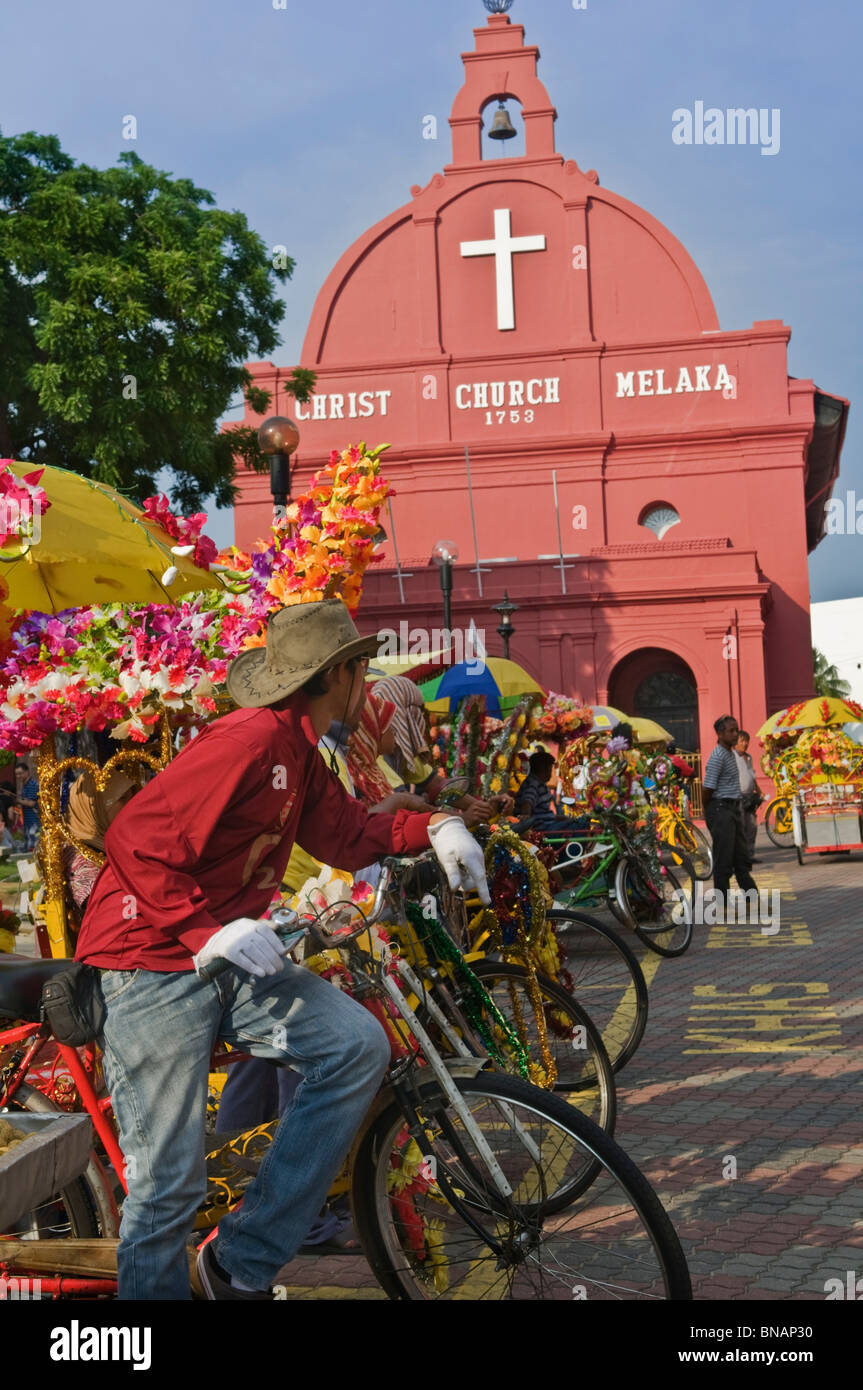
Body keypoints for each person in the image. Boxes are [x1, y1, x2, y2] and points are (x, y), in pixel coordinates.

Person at [74, 599, 490, 1301]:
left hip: (221, 957)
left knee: (356, 1043)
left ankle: (238, 1262)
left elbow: (345, 836)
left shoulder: (298, 748)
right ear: (342, 674)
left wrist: (437, 827)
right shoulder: (248, 740)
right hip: (149, 961)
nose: (372, 686)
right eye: (364, 669)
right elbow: (134, 839)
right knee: (166, 1188)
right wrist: (209, 931)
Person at [702, 715, 758, 908]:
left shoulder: (731, 754)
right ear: (719, 734)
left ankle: (752, 898)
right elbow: (707, 788)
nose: (735, 734)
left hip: (733, 809)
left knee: (741, 857)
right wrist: (709, 812)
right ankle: (722, 903)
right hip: (721, 809)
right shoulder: (718, 756)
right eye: (731, 731)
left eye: (736, 730)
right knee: (724, 859)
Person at [63, 769, 138, 910]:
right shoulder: (80, 862)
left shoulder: (109, 843)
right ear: (95, 807)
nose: (132, 804)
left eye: (132, 796)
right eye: (122, 798)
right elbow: (113, 913)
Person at [515, 749, 591, 836]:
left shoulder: (540, 784)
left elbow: (546, 815)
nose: (551, 774)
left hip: (549, 825)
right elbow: (527, 801)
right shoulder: (533, 784)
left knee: (580, 821)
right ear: (542, 769)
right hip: (544, 829)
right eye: (549, 769)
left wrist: (564, 818)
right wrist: (525, 816)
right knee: (582, 825)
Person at [734, 730, 762, 865]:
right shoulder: (731, 757)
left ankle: (750, 855)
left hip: (750, 797)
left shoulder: (749, 757)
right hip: (737, 797)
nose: (745, 744)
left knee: (752, 827)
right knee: (741, 827)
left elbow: (752, 775)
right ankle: (741, 856)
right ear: (735, 743)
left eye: (746, 741)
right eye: (742, 741)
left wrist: (759, 789)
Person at [15, 759, 40, 850]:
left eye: (20, 773)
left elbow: (32, 803)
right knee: (28, 844)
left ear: (27, 772)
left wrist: (18, 800)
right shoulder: (25, 785)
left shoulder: (33, 785)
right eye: (17, 774)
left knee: (33, 846)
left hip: (34, 820)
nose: (18, 776)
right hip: (27, 820)